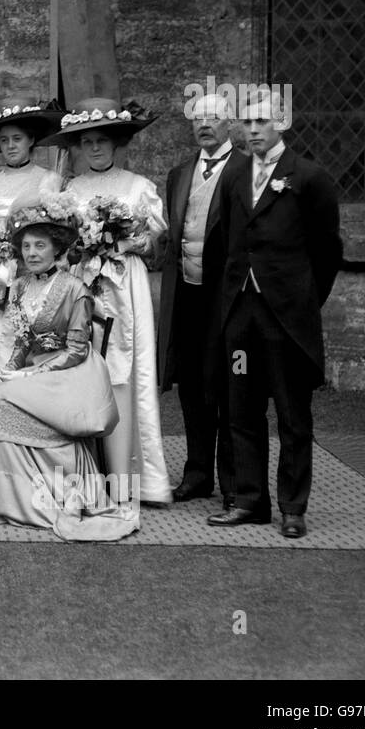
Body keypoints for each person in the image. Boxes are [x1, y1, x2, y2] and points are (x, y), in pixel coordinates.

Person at [208, 95, 342, 539]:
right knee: (241, 411)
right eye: (247, 121)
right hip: (241, 316)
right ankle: (249, 501)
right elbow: (226, 241)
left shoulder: (310, 178)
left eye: (263, 120)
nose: (254, 129)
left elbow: (326, 253)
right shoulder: (233, 177)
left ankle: (292, 507)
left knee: (291, 414)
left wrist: (300, 301)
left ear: (282, 122)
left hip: (286, 319)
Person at [0, 194, 134, 541]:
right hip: (33, 369)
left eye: (39, 245)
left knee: (3, 396)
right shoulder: (19, 287)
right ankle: (9, 500)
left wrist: (29, 374)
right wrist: (11, 368)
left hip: (70, 373)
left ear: (56, 248)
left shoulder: (76, 289)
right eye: (26, 246)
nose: (31, 253)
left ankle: (49, 499)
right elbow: (21, 342)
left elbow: (76, 349)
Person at [43, 97, 174, 511]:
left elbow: (157, 242)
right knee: (83, 363)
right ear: (79, 147)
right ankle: (85, 472)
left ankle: (137, 476)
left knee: (127, 369)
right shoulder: (73, 190)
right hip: (86, 281)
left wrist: (124, 240)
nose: (95, 149)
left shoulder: (137, 186)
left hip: (125, 282)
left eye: (102, 141)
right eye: (87, 142)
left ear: (116, 144)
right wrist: (85, 245)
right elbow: (61, 244)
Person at [158, 94, 250, 504]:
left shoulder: (248, 170)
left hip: (228, 298)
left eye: (214, 117)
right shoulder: (179, 174)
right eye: (198, 118)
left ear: (230, 123)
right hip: (187, 297)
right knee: (192, 387)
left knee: (228, 388)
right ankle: (197, 475)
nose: (205, 124)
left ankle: (233, 482)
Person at [0, 95, 65, 384]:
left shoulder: (49, 180)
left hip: (36, 278)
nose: (11, 146)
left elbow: (58, 235)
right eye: (4, 140)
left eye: (17, 138)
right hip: (0, 282)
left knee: (34, 346)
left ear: (31, 139)